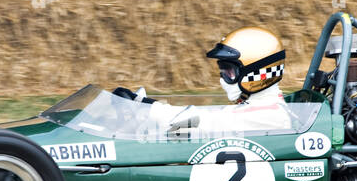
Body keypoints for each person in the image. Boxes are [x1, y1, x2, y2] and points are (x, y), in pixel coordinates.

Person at [112, 26, 294, 136]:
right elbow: (198, 121)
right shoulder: (254, 106)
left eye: (230, 72)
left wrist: (148, 108)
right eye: (223, 70)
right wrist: (144, 107)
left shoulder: (267, 115)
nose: (223, 79)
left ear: (256, 73)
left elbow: (205, 121)